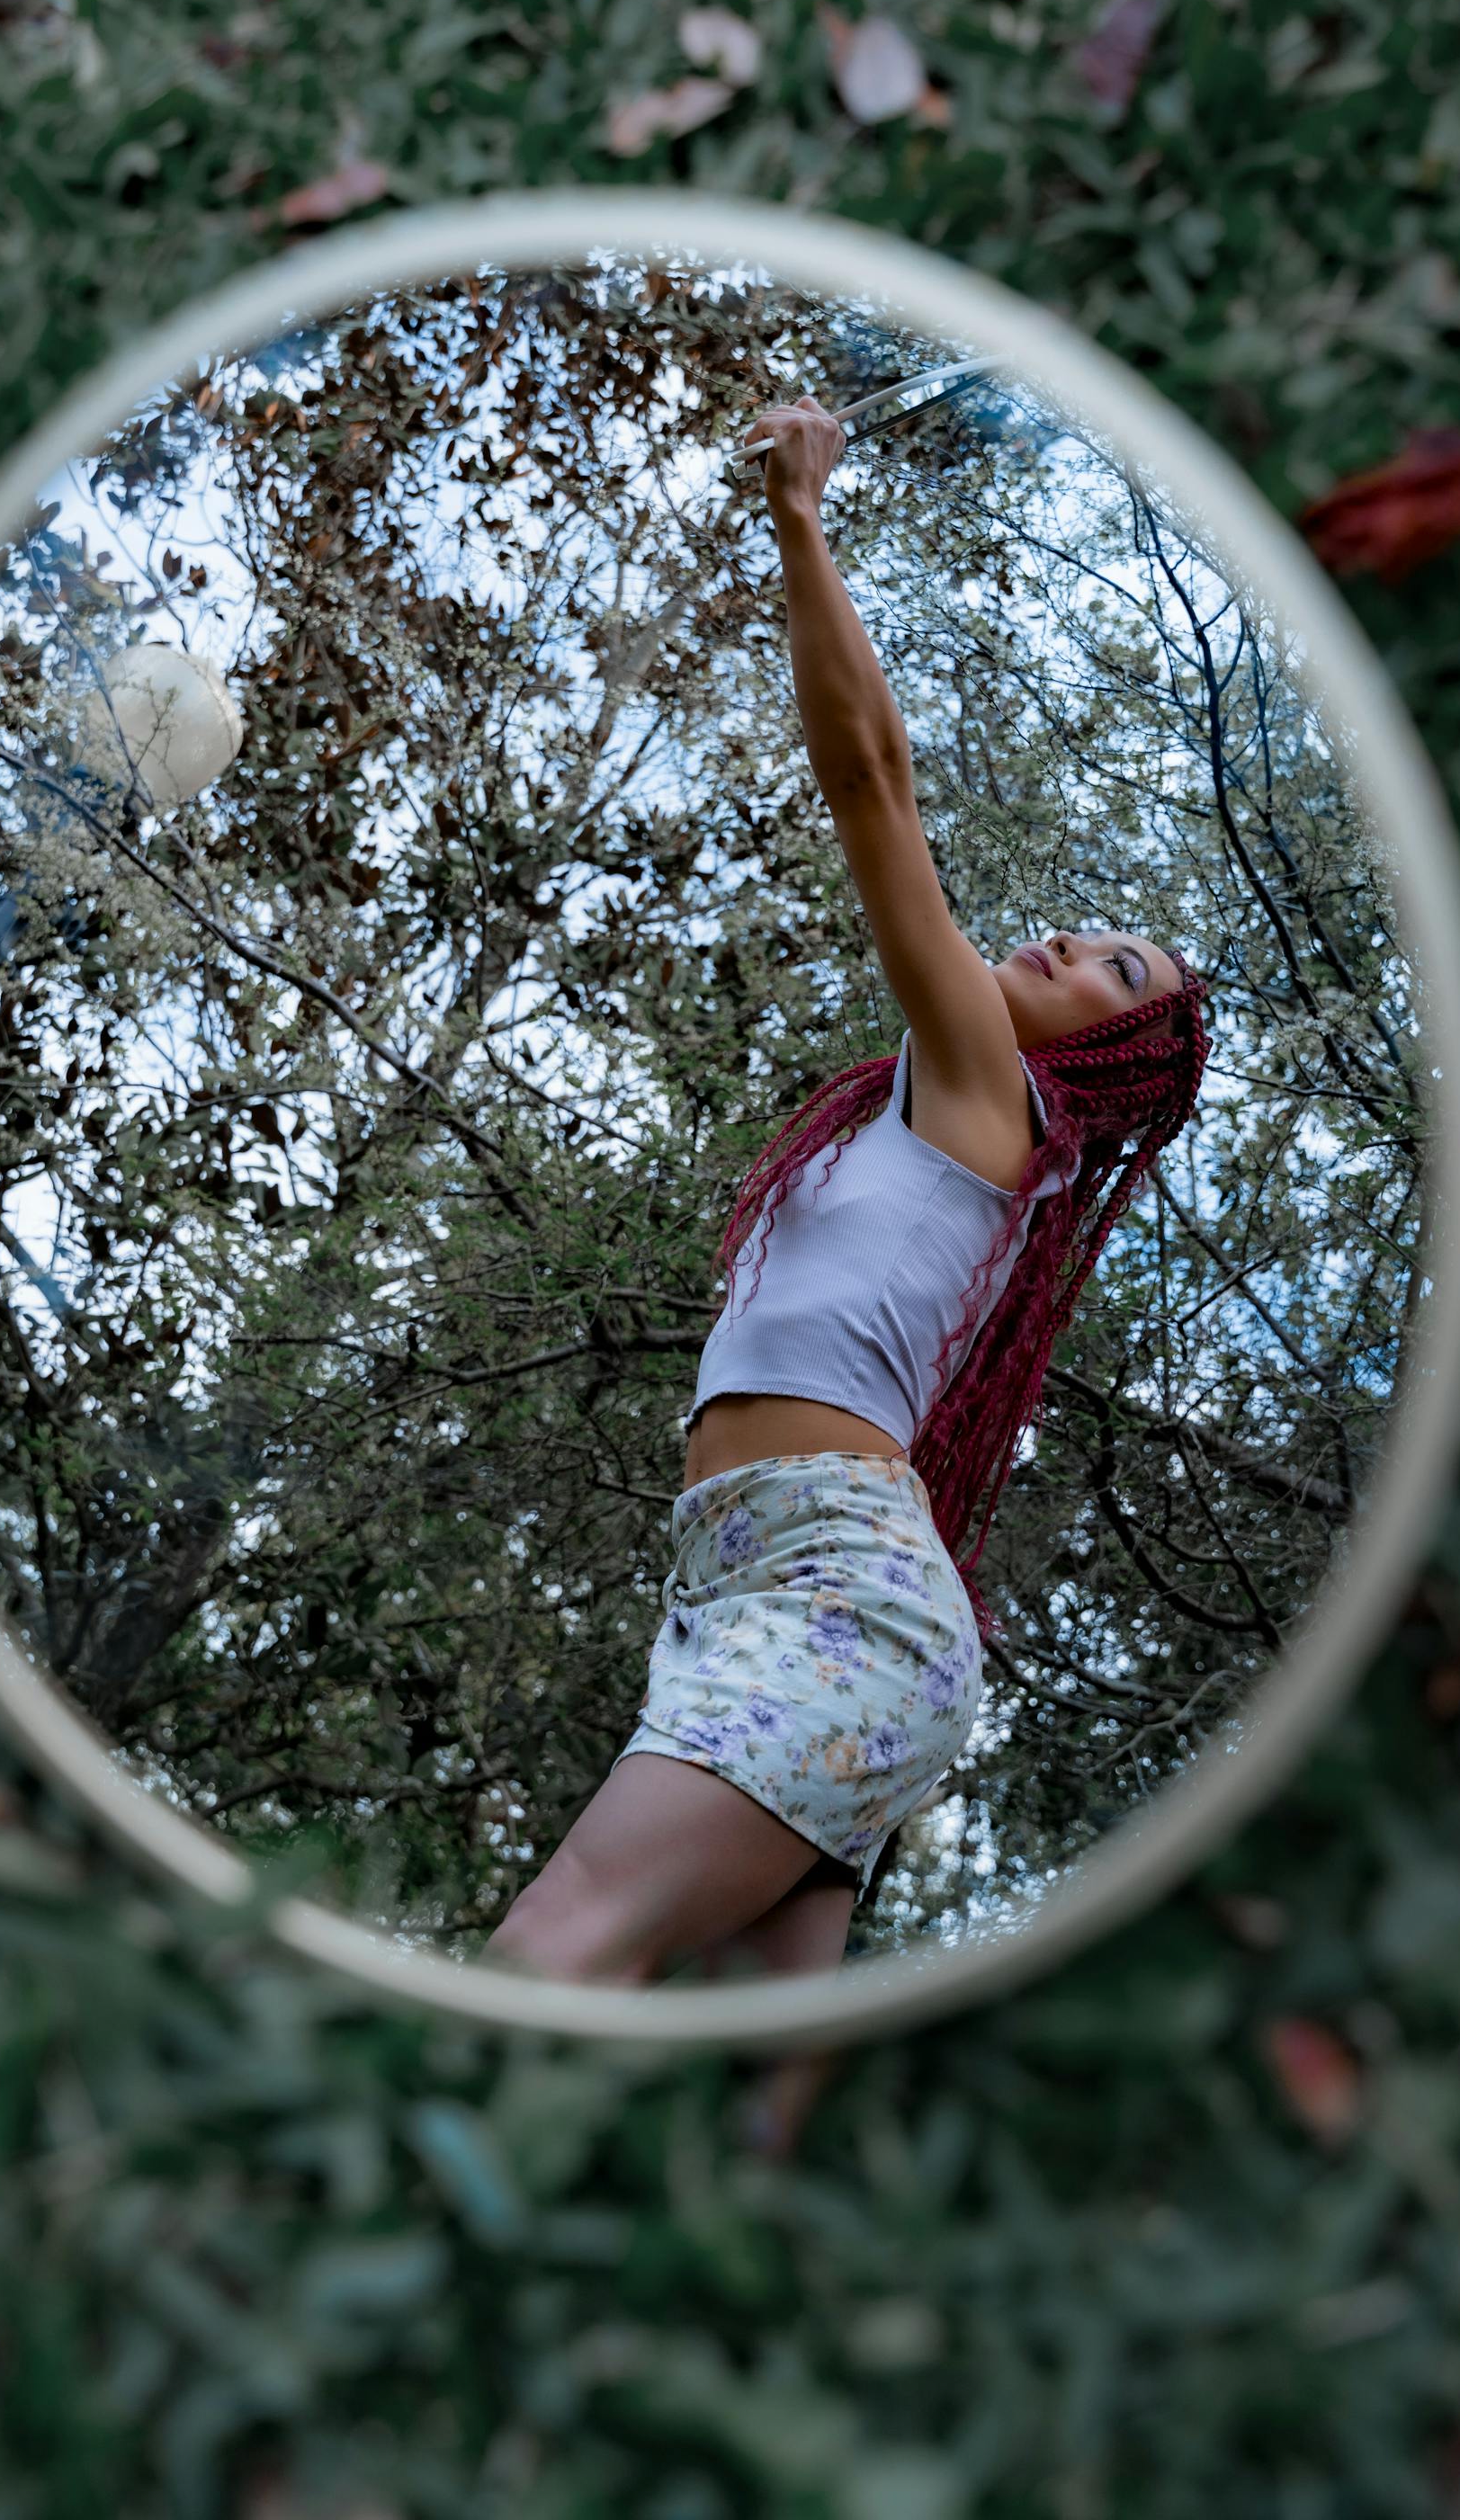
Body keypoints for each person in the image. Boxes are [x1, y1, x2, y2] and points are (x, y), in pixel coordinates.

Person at [487, 394, 1213, 1988]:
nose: (1065, 944)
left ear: (1117, 1057)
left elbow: (872, 783)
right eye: (1086, 925)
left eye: (1115, 967)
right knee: (734, 2113)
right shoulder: (947, 1128)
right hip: (759, 1590)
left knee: (546, 1957)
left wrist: (799, 521)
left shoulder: (993, 1093)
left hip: (834, 1591)